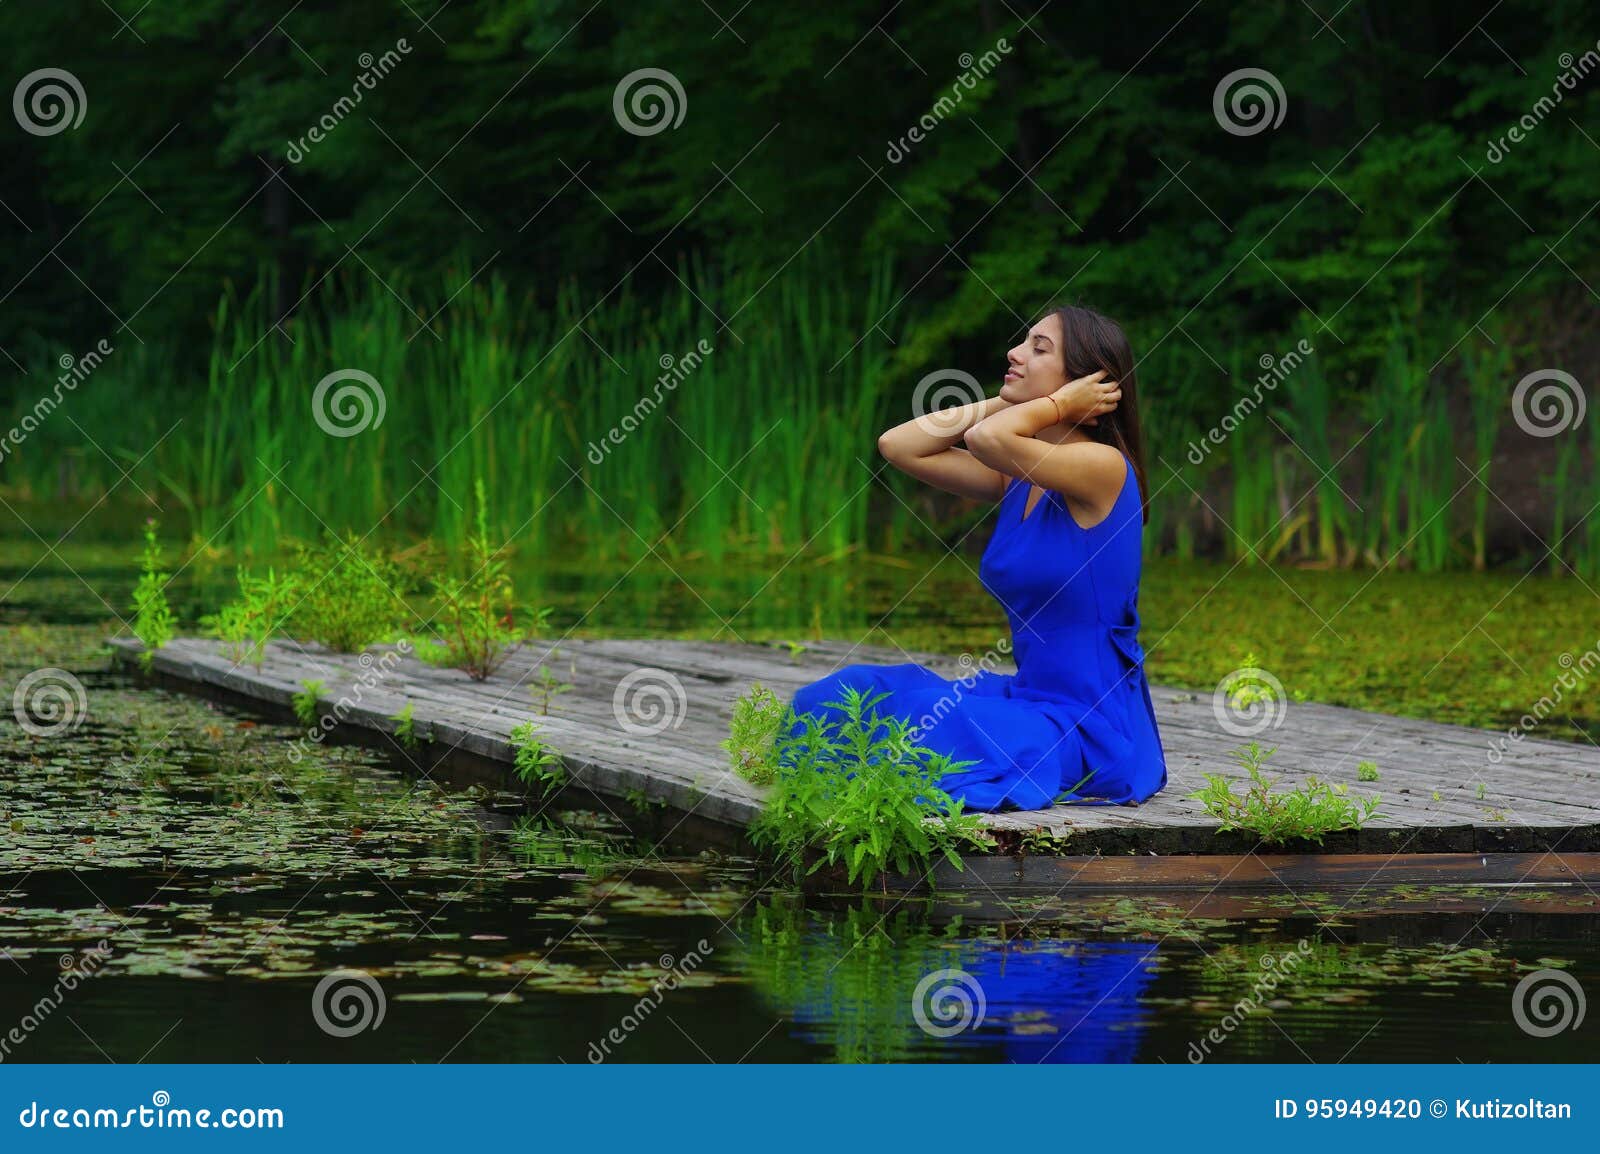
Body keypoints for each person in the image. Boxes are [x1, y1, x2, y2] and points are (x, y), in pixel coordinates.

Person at [784, 303, 1169, 812]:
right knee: (855, 694)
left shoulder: (1103, 469)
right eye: (1022, 342)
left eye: (1039, 348)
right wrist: (1025, 397)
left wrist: (1049, 404)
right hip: (1028, 700)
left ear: (1084, 381)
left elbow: (987, 439)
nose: (1014, 352)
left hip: (1089, 726)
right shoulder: (1018, 476)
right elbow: (898, 446)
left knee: (932, 723)